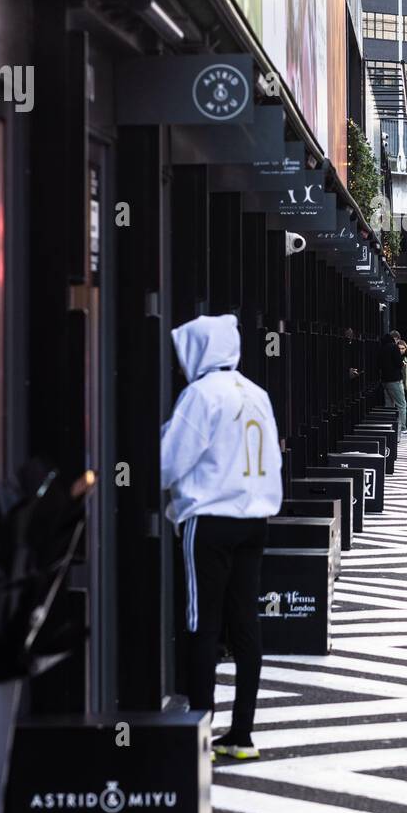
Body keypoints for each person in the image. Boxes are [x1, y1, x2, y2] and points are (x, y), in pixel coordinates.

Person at [160, 314, 283, 761]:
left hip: (209, 518)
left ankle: (200, 730)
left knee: (202, 623)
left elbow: (169, 461)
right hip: (255, 518)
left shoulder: (199, 395)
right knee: (246, 622)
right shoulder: (257, 394)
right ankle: (242, 734)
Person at [378, 330, 407, 434]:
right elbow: (398, 363)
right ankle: (403, 428)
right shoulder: (393, 347)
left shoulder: (382, 347)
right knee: (402, 404)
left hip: (385, 380)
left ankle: (389, 427)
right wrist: (402, 364)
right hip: (395, 379)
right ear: (396, 338)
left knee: (389, 404)